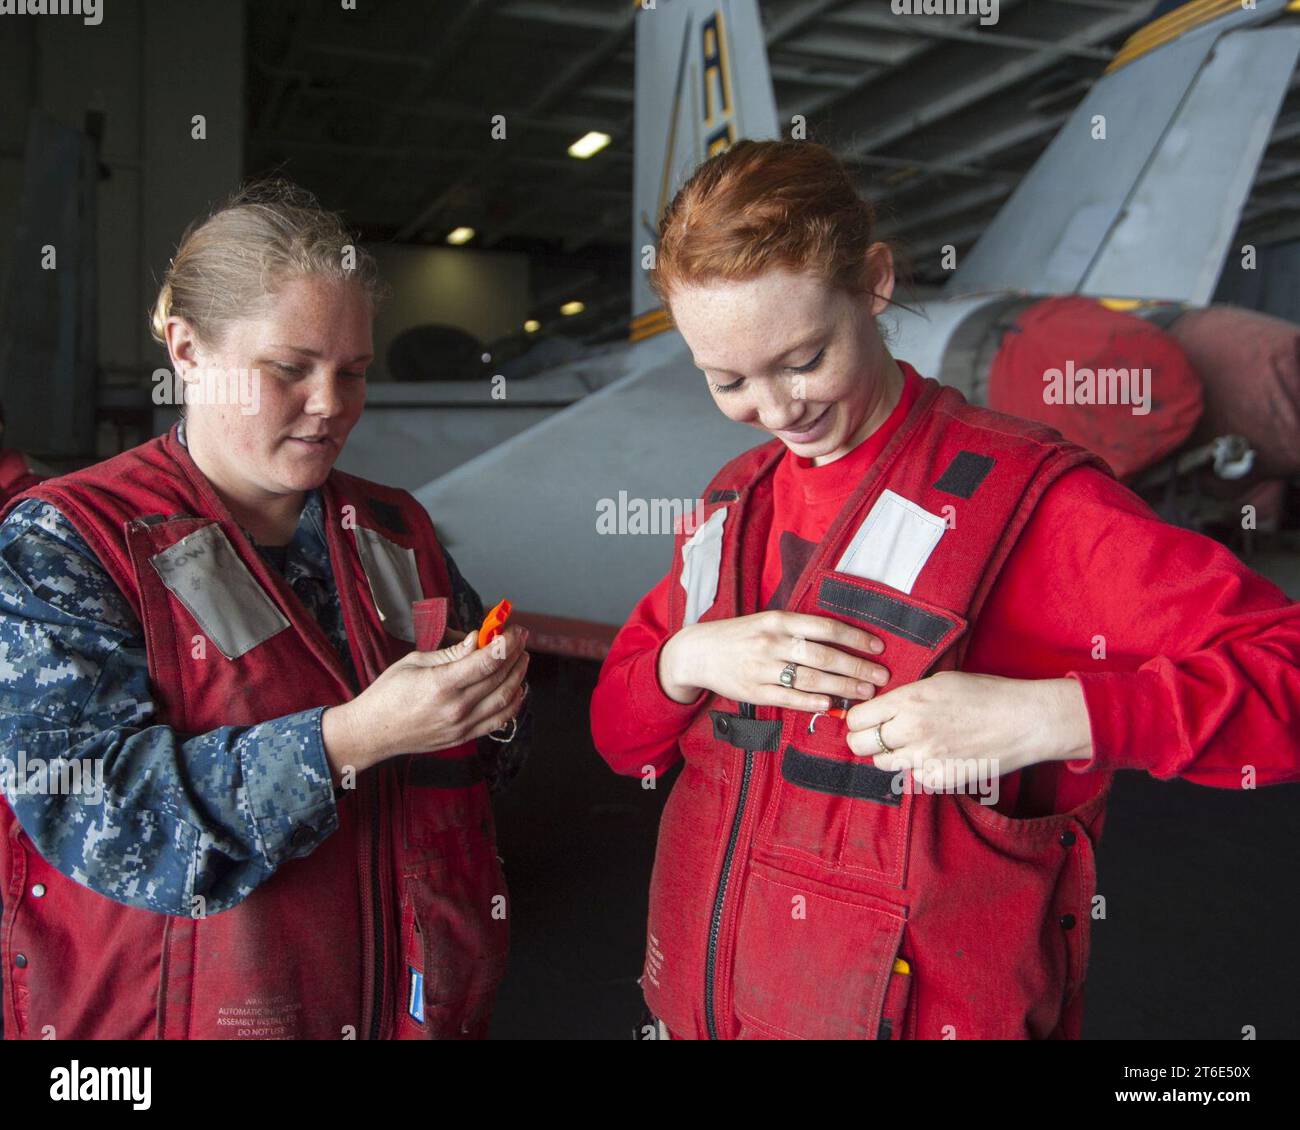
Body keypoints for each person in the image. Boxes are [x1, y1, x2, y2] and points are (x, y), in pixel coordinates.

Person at [590, 139, 1300, 1040]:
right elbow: (620, 736)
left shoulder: (1033, 504)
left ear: (875, 283)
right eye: (726, 380)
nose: (775, 412)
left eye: (804, 359)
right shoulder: (735, 504)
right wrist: (687, 660)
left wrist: (1050, 716)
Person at [0, 181, 530, 1040]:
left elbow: (484, 770)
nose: (331, 404)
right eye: (289, 369)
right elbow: (96, 816)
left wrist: (491, 707)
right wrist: (351, 737)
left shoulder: (396, 527)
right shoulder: (71, 540)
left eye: (353, 372)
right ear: (186, 349)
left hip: (413, 1011)